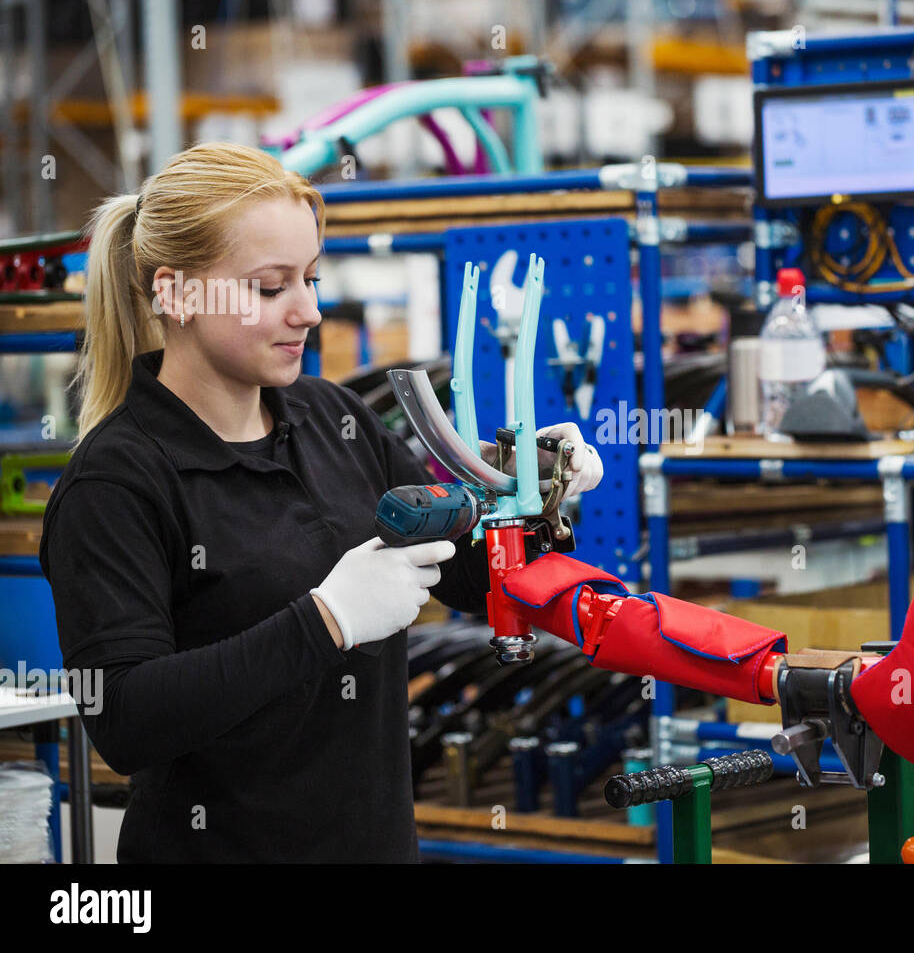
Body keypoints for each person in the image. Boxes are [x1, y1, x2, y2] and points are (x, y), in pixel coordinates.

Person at [38, 141, 603, 862]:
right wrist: (325, 620)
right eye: (270, 288)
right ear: (175, 293)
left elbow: (468, 576)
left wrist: (535, 501)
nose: (308, 310)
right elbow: (123, 718)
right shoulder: (116, 484)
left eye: (310, 277)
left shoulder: (333, 419)